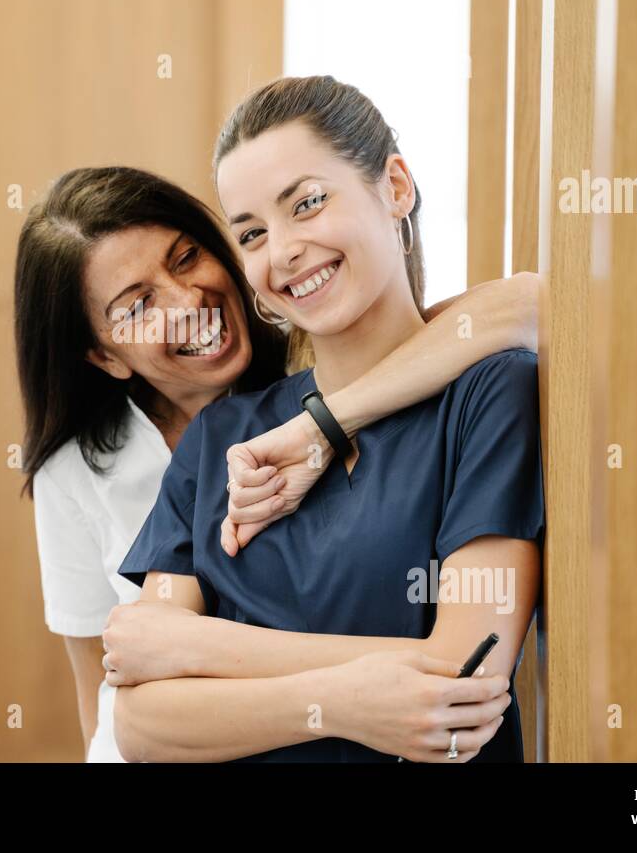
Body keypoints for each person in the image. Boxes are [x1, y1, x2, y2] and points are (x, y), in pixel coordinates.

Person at [109, 75, 544, 762]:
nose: (281, 251)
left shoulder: (489, 394)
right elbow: (141, 725)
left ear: (395, 187)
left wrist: (201, 647)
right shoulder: (223, 438)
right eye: (251, 233)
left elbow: (466, 675)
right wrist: (348, 699)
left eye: (307, 203)